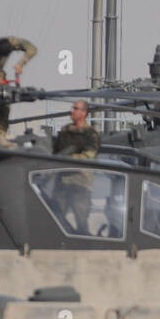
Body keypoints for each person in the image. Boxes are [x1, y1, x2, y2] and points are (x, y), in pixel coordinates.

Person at [52, 100, 101, 234]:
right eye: (73, 108)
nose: (72, 111)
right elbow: (55, 152)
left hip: (81, 184)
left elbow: (89, 156)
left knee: (82, 222)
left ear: (84, 113)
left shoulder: (91, 134)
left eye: (76, 108)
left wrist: (69, 158)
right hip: (62, 182)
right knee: (55, 220)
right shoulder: (65, 130)